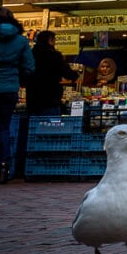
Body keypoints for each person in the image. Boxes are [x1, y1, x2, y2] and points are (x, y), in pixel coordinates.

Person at [0, 7, 35, 184]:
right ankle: (4, 169)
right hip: (9, 89)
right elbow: (29, 67)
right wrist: (16, 74)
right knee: (3, 128)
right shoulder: (20, 41)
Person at [19, 31, 80, 177]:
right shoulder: (55, 56)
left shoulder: (30, 55)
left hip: (33, 98)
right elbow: (68, 74)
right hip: (51, 98)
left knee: (34, 132)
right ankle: (48, 162)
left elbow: (23, 76)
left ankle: (31, 164)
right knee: (51, 132)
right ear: (50, 40)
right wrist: (75, 75)